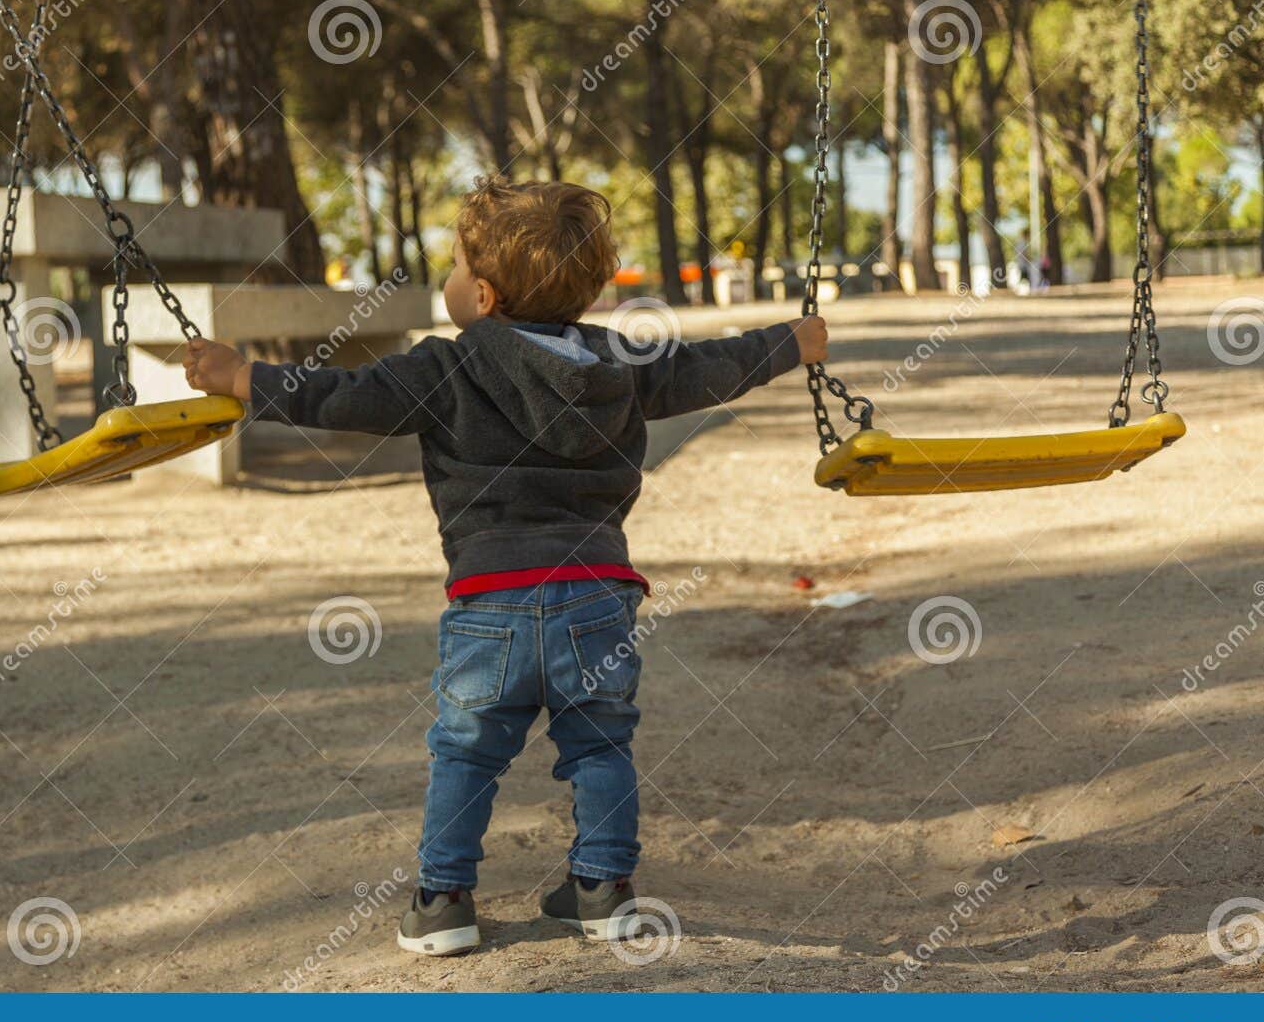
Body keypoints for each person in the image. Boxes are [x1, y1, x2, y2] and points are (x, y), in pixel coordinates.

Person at [184, 177, 826, 956]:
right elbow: (705, 368)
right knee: (600, 741)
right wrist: (792, 342)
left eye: (454, 269)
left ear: (482, 294)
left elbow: (340, 397)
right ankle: (602, 889)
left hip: (491, 599)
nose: (449, 282)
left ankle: (445, 899)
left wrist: (240, 377)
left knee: (467, 747)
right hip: (598, 595)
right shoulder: (614, 361)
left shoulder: (444, 369)